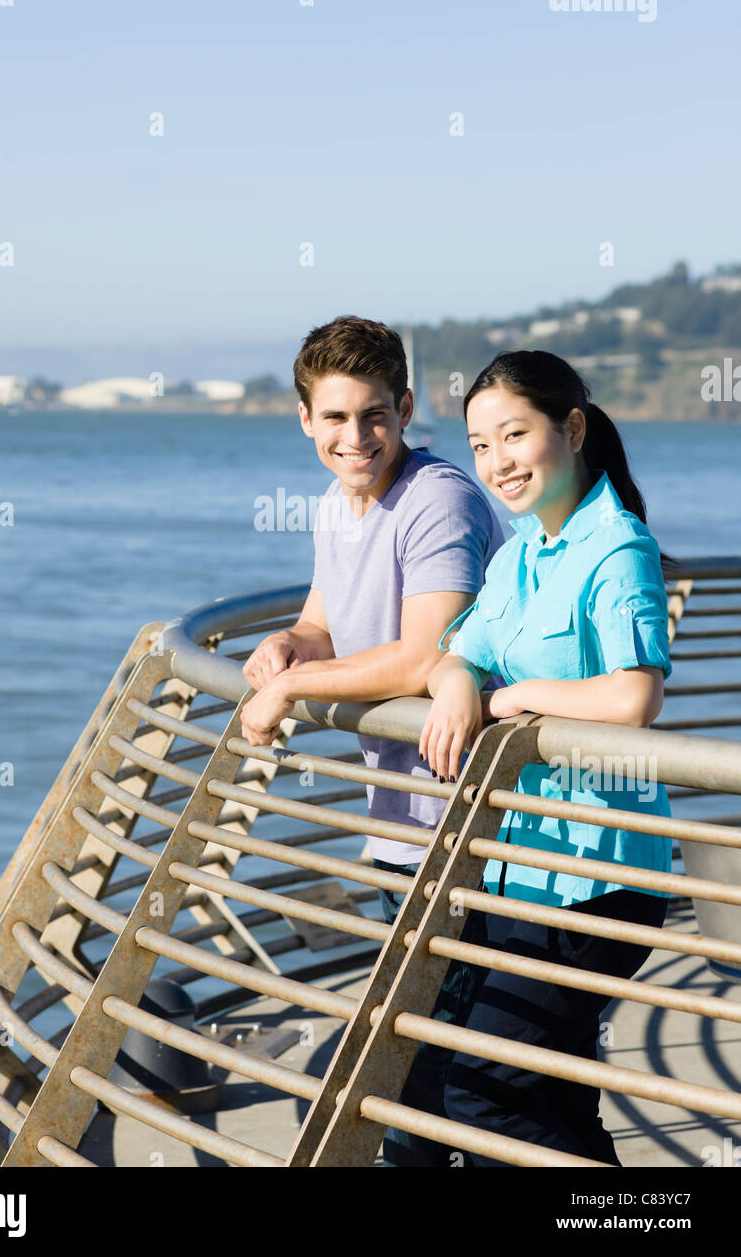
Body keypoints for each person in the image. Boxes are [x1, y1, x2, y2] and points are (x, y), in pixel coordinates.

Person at [239, 314, 506, 1165]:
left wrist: (288, 690)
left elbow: (422, 655)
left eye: (374, 416)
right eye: (335, 418)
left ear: (406, 407)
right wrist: (287, 648)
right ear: (306, 421)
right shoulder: (337, 501)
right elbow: (325, 625)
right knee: (409, 1066)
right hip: (402, 826)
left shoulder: (439, 498)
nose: (356, 438)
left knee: (458, 1076)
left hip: (475, 826)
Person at [420, 349, 674, 1166]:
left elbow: (634, 696)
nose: (496, 462)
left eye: (515, 435)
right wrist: (459, 682)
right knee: (556, 1099)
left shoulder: (617, 547)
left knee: (482, 1093)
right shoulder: (520, 554)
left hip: (598, 881)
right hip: (518, 870)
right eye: (479, 444)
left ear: (571, 428)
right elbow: (458, 650)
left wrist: (513, 698)